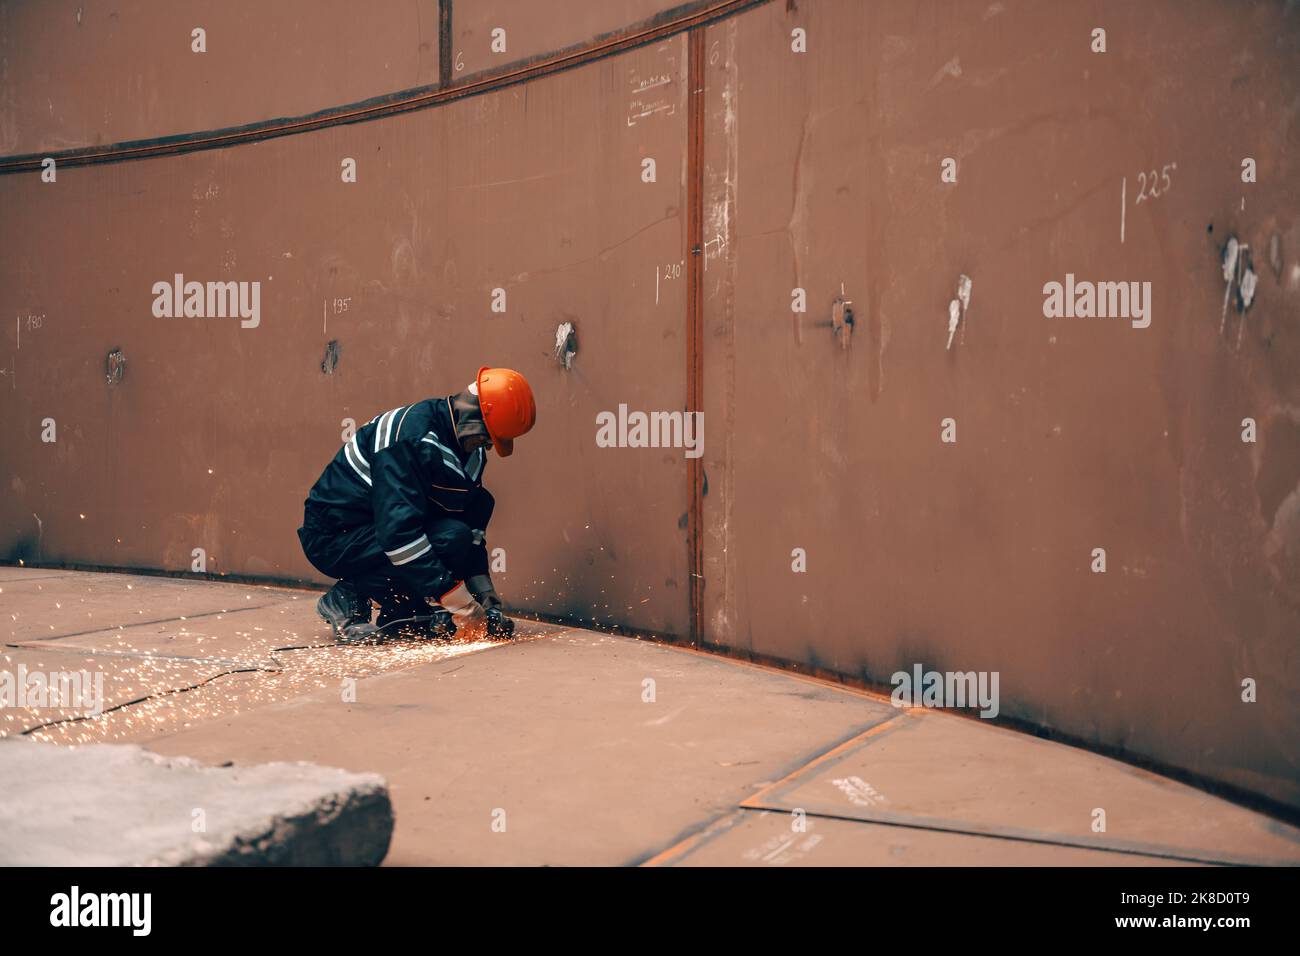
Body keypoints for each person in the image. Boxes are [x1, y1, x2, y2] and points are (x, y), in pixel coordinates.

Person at [297, 367, 536, 641]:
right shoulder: (406, 438)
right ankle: (350, 594)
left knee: (464, 525)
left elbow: (469, 528)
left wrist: (485, 596)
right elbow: (399, 535)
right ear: (473, 418)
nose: (488, 446)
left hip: (385, 530)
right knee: (447, 537)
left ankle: (403, 610)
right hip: (337, 536)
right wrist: (460, 604)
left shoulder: (468, 452)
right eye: (487, 437)